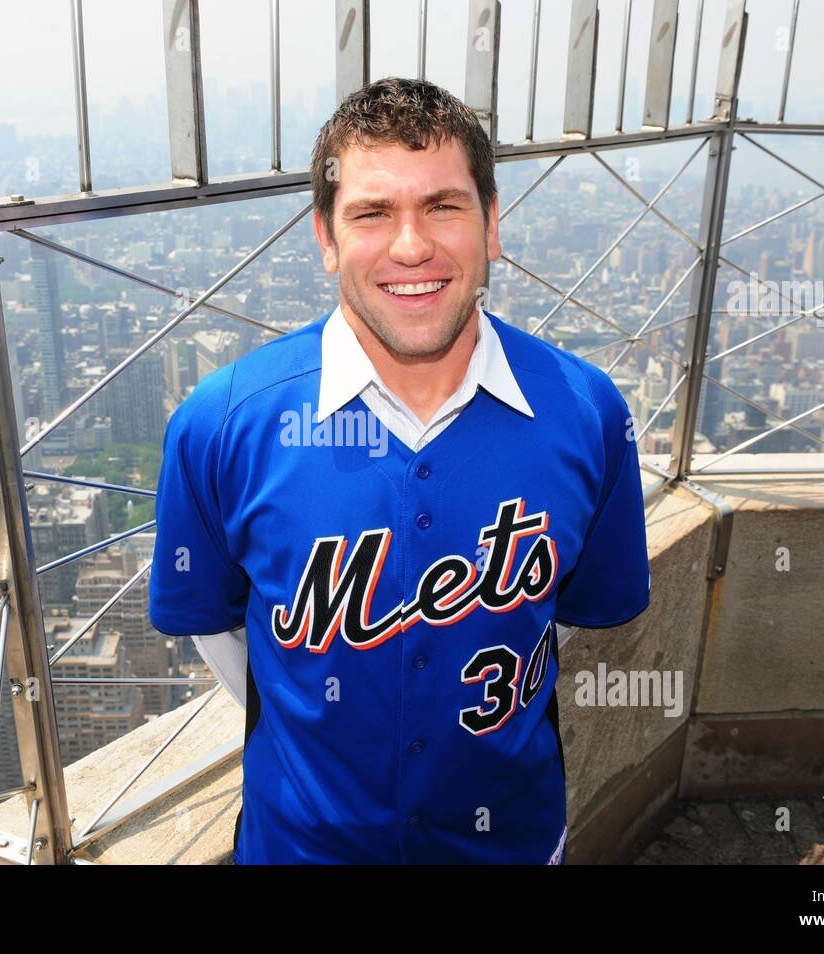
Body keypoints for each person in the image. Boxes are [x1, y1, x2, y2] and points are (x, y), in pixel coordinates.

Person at [148, 77, 651, 864]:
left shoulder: (587, 415)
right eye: (373, 213)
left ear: (493, 224)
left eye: (444, 206)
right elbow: (216, 628)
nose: (412, 246)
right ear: (325, 237)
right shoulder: (221, 428)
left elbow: (580, 614)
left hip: (511, 844)